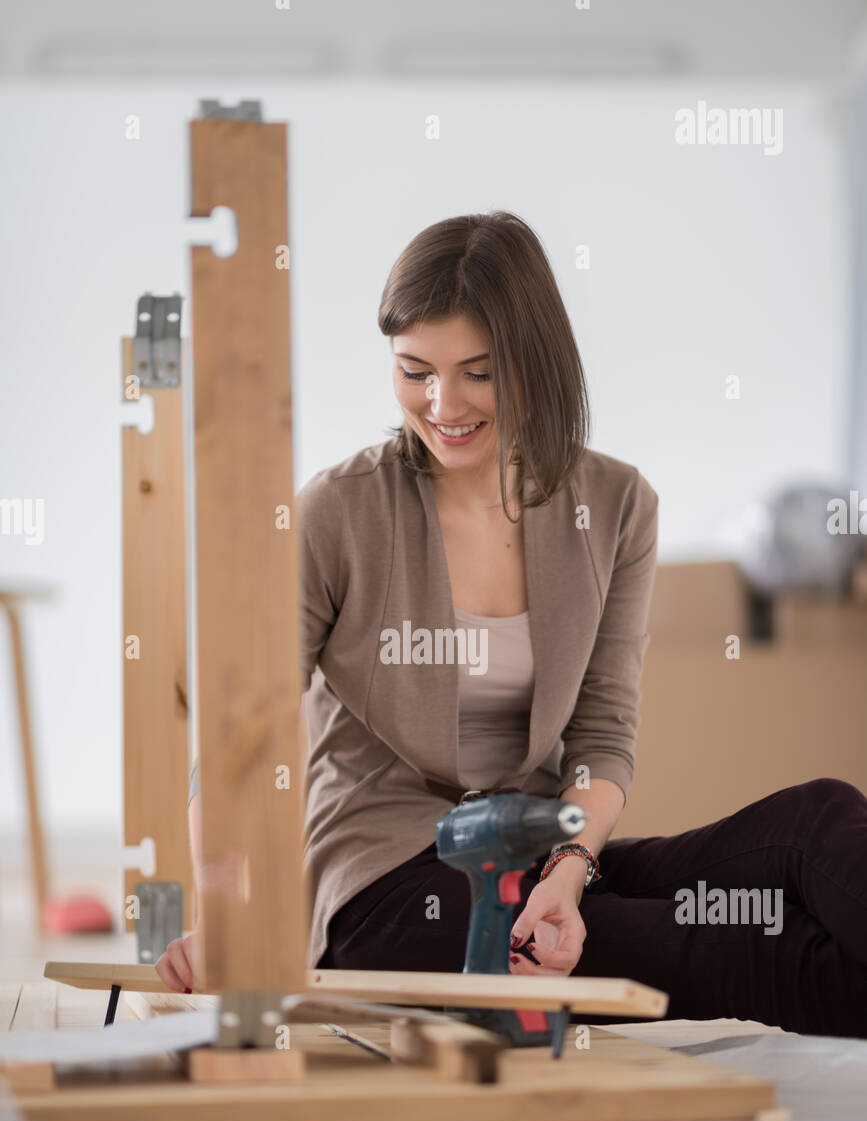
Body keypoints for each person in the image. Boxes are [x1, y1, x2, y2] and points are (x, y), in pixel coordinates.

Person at [157, 211, 867, 1038]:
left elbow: (602, 730)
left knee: (817, 822)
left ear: (533, 363)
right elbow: (244, 737)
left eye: (477, 373)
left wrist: (569, 872)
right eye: (413, 370)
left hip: (536, 857)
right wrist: (228, 916)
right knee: (748, 946)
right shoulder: (338, 512)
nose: (441, 403)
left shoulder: (614, 504)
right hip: (391, 891)